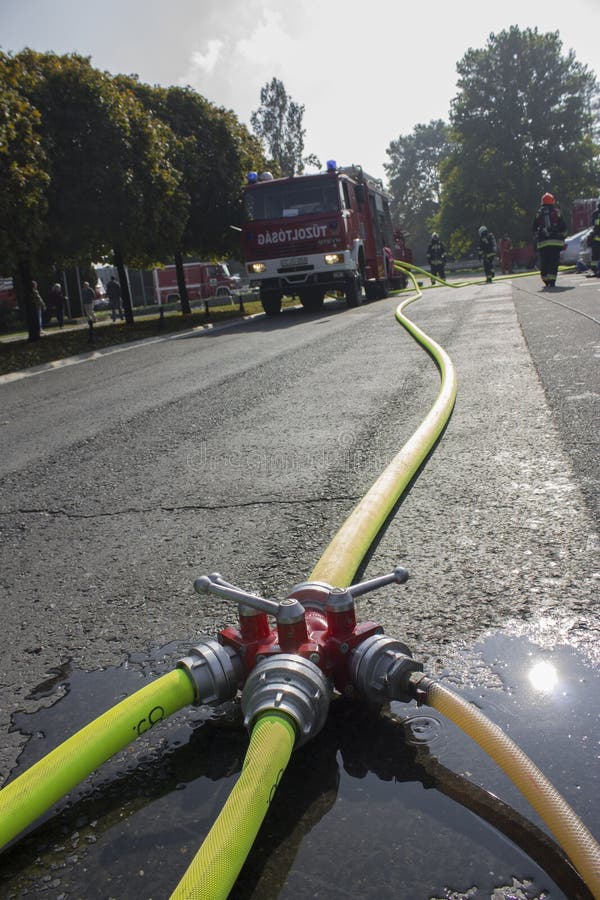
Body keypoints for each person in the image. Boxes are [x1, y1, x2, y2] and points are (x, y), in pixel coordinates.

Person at [531, 193, 567, 288]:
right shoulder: (556, 212)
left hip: (543, 243)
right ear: (552, 201)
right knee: (553, 261)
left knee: (544, 261)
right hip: (555, 242)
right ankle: (552, 281)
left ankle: (545, 279)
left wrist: (538, 236)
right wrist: (562, 237)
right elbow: (563, 227)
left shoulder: (539, 213)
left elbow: (534, 228)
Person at [589, 199, 600, 278]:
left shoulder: (595, 213)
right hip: (597, 238)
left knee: (595, 257)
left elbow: (593, 225)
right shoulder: (595, 214)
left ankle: (595, 270)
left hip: (597, 239)